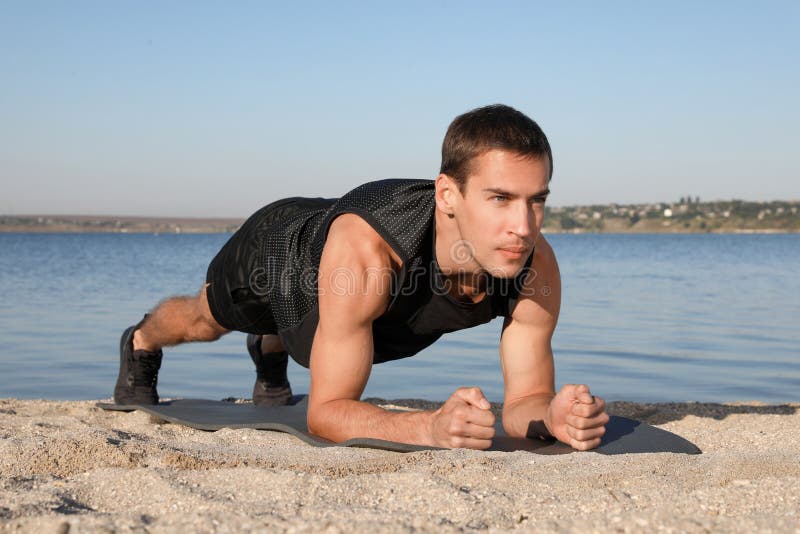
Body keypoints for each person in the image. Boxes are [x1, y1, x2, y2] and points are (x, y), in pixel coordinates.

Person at [113, 104, 609, 450]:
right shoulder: (370, 252)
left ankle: (271, 348)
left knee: (324, 334)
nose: (523, 228)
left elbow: (524, 401)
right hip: (281, 255)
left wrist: (553, 417)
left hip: (344, 306)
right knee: (205, 322)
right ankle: (141, 340)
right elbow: (326, 413)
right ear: (447, 196)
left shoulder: (534, 266)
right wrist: (429, 429)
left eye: (536, 200)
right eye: (500, 198)